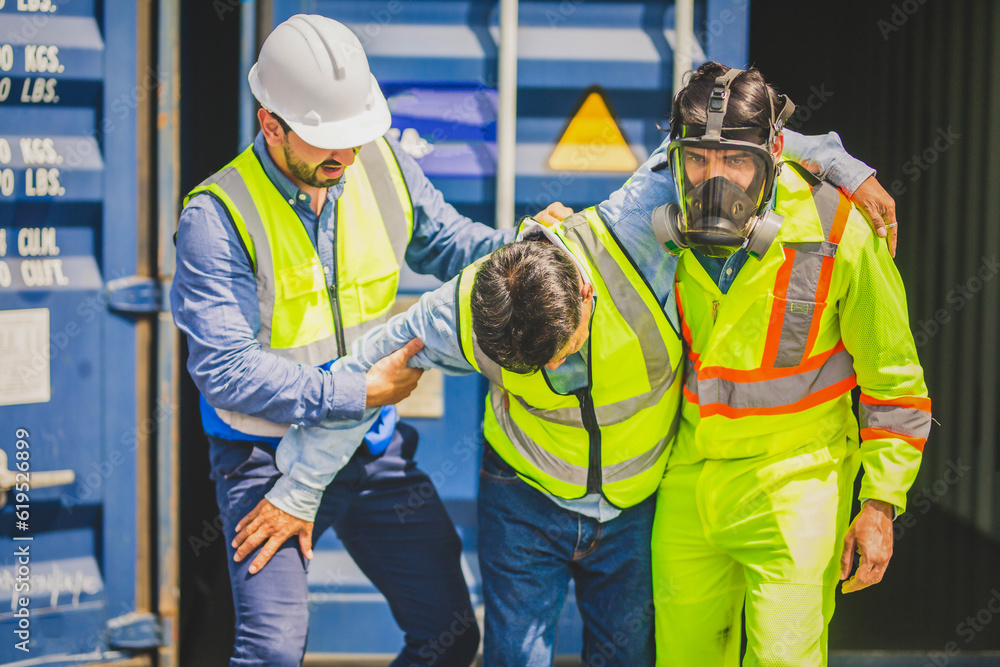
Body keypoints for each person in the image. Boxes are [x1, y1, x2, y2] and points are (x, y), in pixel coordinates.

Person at [239, 137, 889, 665]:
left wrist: (840, 162)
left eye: (562, 349)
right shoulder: (465, 309)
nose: (558, 368)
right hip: (524, 499)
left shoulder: (636, 227)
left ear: (582, 289)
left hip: (634, 508)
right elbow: (364, 369)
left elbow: (722, 133)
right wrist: (297, 491)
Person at [170, 14, 570, 667]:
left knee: (450, 635)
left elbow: (450, 245)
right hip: (265, 458)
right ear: (271, 123)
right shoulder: (217, 218)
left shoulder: (377, 164)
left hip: (370, 445)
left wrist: (526, 245)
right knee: (269, 653)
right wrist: (357, 387)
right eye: (329, 141)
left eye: (356, 137)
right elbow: (227, 372)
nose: (347, 156)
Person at [648, 62, 930, 666]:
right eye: (697, 160)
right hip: (691, 479)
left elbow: (895, 382)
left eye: (738, 162)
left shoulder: (840, 231)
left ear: (774, 155)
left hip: (797, 484)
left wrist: (879, 506)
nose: (713, 180)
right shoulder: (659, 213)